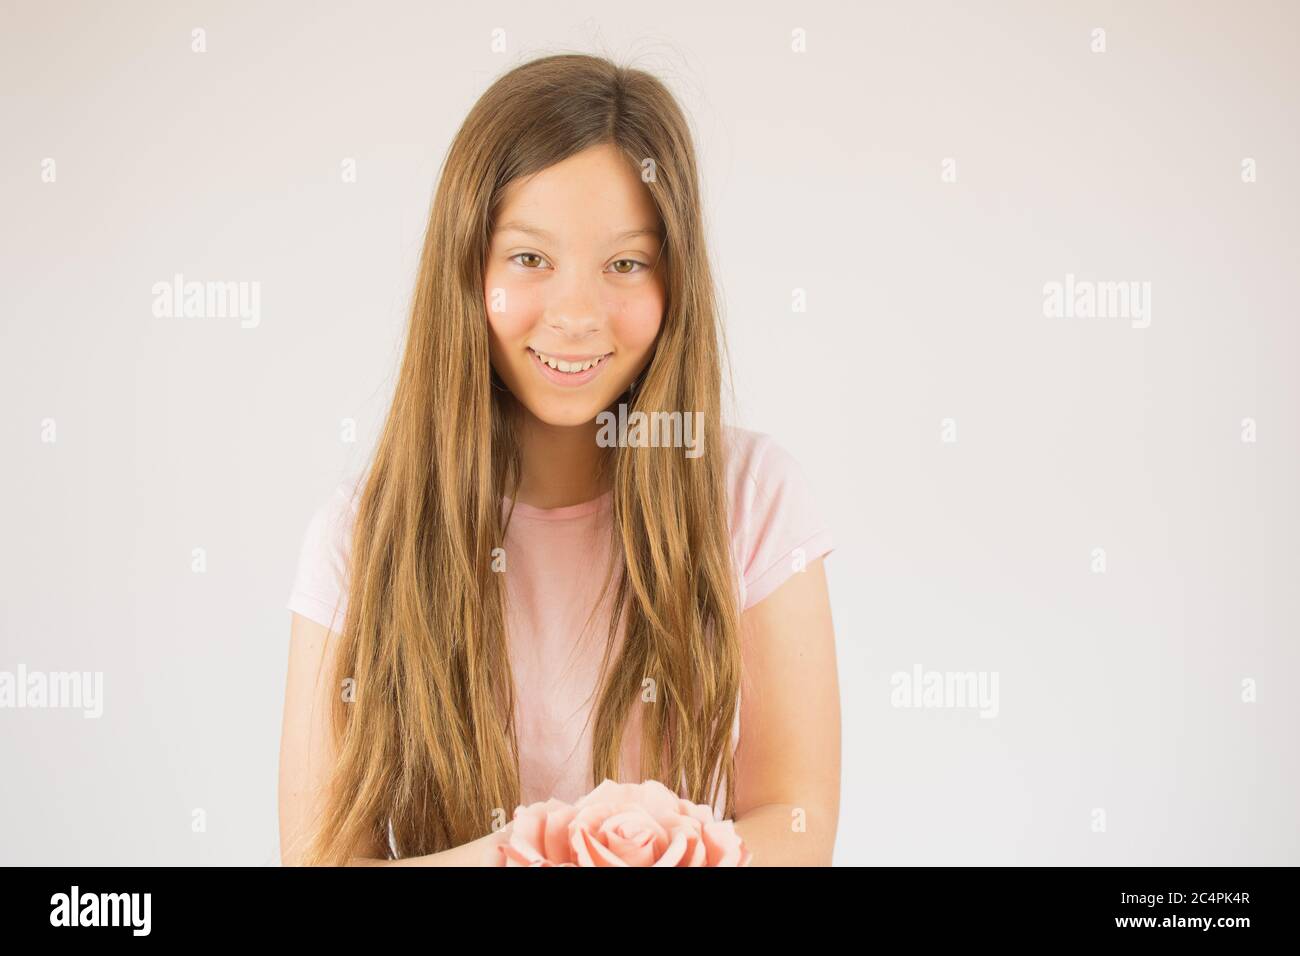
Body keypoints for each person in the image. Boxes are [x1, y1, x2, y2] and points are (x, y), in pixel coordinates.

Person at [277, 53, 840, 866]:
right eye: (531, 259)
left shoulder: (753, 498)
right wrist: (539, 850)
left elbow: (798, 822)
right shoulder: (359, 537)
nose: (576, 315)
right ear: (466, 270)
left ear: (675, 278)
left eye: (625, 264)